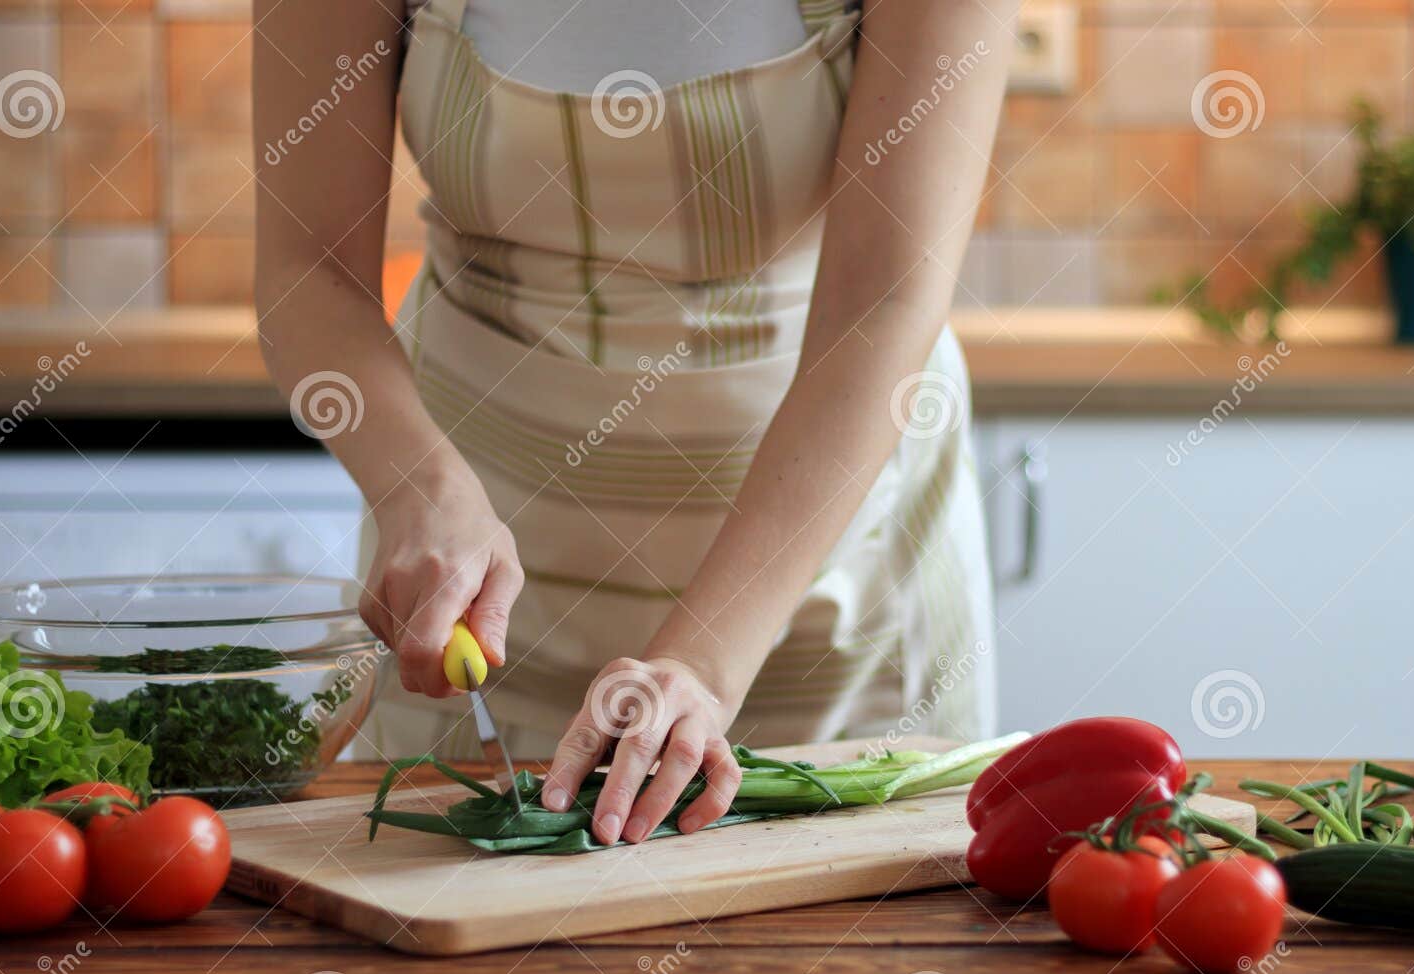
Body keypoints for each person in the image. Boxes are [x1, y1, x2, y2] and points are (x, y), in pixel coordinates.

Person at [253, 0, 1015, 845]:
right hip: (483, 576)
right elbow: (306, 267)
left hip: (821, 583)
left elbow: (885, 302)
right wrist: (418, 486)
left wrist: (702, 661)